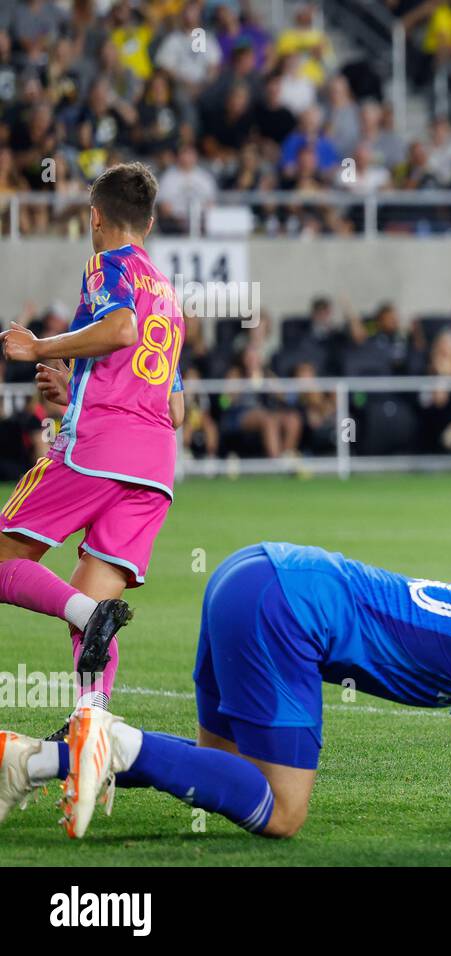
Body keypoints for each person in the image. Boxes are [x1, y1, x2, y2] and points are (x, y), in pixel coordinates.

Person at [0, 540, 451, 839]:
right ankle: (112, 740)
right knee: (281, 813)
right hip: (292, 607)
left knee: (220, 777)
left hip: (249, 572)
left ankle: (30, 761)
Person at [0, 162, 185, 736]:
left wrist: (37, 348)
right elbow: (173, 409)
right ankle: (91, 722)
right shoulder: (170, 295)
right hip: (154, 469)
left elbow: (122, 329)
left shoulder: (108, 264)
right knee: (89, 596)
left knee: (8, 564)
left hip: (96, 453)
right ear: (150, 223)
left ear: (95, 215)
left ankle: (91, 615)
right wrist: (72, 393)